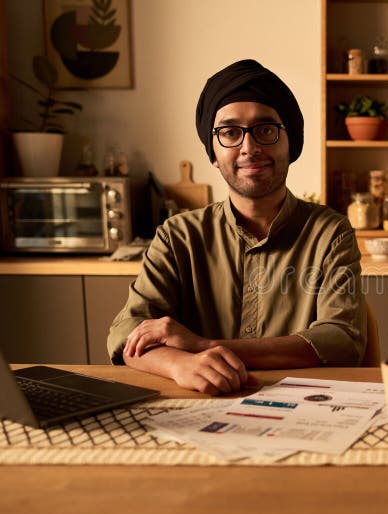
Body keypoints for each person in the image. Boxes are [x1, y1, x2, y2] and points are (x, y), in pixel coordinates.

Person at [108, 59, 366, 394]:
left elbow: (341, 339)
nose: (249, 148)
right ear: (213, 153)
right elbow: (126, 332)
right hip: (196, 403)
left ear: (291, 144)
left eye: (266, 130)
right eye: (230, 132)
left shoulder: (330, 233)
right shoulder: (177, 236)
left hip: (300, 405)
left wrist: (203, 346)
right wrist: (178, 364)